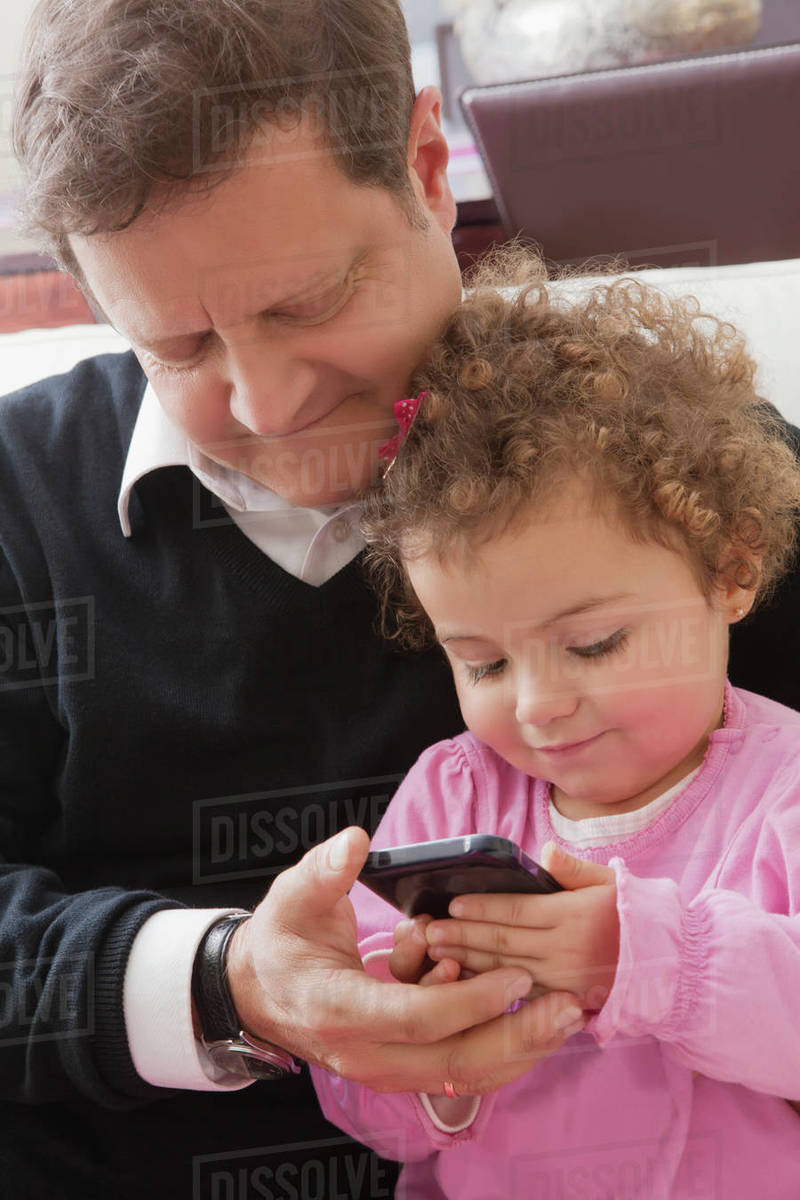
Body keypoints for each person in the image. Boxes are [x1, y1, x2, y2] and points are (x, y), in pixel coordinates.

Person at [1, 3, 591, 1197]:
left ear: (428, 172)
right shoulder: (20, 503)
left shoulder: (678, 471)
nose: (268, 407)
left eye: (308, 303)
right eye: (177, 346)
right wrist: (223, 982)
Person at [310, 251, 800, 1198]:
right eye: (483, 662)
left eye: (596, 643)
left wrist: (641, 956)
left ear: (732, 571)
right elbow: (371, 1113)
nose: (535, 706)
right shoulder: (453, 792)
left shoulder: (782, 791)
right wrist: (422, 1049)